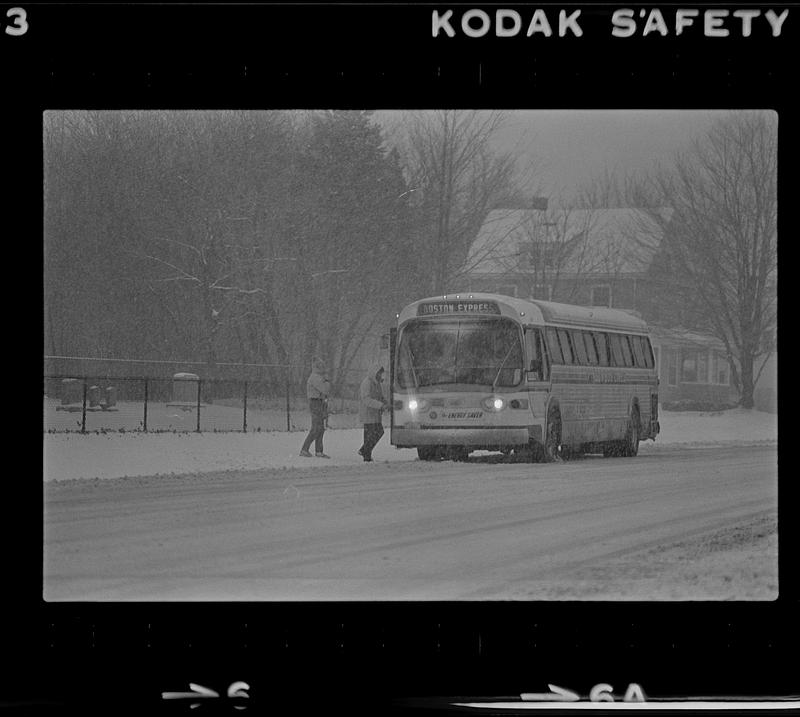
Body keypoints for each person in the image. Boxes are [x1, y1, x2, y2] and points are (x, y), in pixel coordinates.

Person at [299, 357, 331, 458]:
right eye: (321, 366)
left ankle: (319, 451)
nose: (323, 368)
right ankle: (305, 449)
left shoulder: (318, 377)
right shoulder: (315, 377)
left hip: (319, 402)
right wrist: (326, 382)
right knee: (316, 428)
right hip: (316, 402)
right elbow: (325, 389)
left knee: (320, 428)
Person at [358, 363, 388, 462]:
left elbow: (379, 396)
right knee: (373, 434)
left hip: (374, 413)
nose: (381, 375)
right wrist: (380, 405)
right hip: (368, 414)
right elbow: (366, 399)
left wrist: (385, 402)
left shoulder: (376, 383)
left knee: (375, 433)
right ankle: (366, 453)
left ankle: (366, 452)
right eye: (379, 373)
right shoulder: (366, 383)